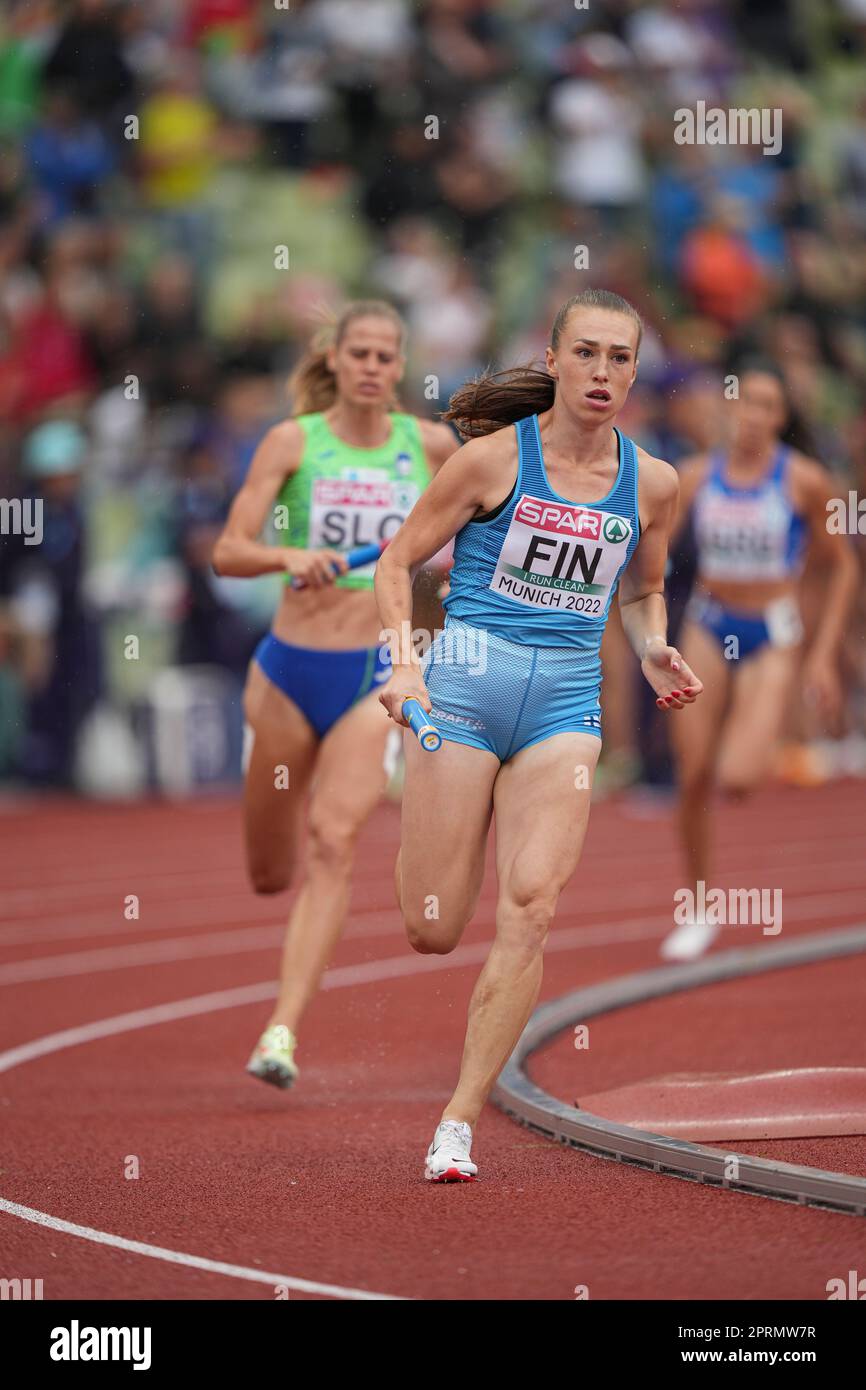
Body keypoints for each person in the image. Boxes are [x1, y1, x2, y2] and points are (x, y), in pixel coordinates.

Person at [374, 288, 702, 1181]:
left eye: (621, 358)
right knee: (433, 928)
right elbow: (400, 560)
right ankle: (423, 781)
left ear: (638, 371)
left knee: (532, 906)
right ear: (553, 360)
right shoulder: (487, 462)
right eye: (587, 353)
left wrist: (653, 647)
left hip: (565, 707)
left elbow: (640, 589)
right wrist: (404, 667)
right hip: (464, 688)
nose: (603, 373)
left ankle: (457, 1123)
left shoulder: (655, 482)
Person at [212, 300, 457, 1089]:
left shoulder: (430, 445)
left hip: (371, 674)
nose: (374, 367)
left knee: (333, 841)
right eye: (361, 353)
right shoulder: (294, 441)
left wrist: (448, 567)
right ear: (338, 359)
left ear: (400, 366)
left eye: (388, 356)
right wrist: (289, 558)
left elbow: (473, 536)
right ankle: (280, 996)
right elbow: (227, 550)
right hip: (288, 671)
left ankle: (280, 1032)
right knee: (268, 872)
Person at [660, 360, 858, 961]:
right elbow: (652, 547)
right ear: (731, 408)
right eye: (746, 403)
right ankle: (698, 905)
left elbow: (843, 563)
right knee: (692, 774)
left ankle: (757, 735)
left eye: (769, 406)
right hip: (708, 622)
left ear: (781, 417)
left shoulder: (803, 480)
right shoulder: (695, 476)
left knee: (739, 779)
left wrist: (823, 658)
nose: (754, 416)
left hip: (773, 631)